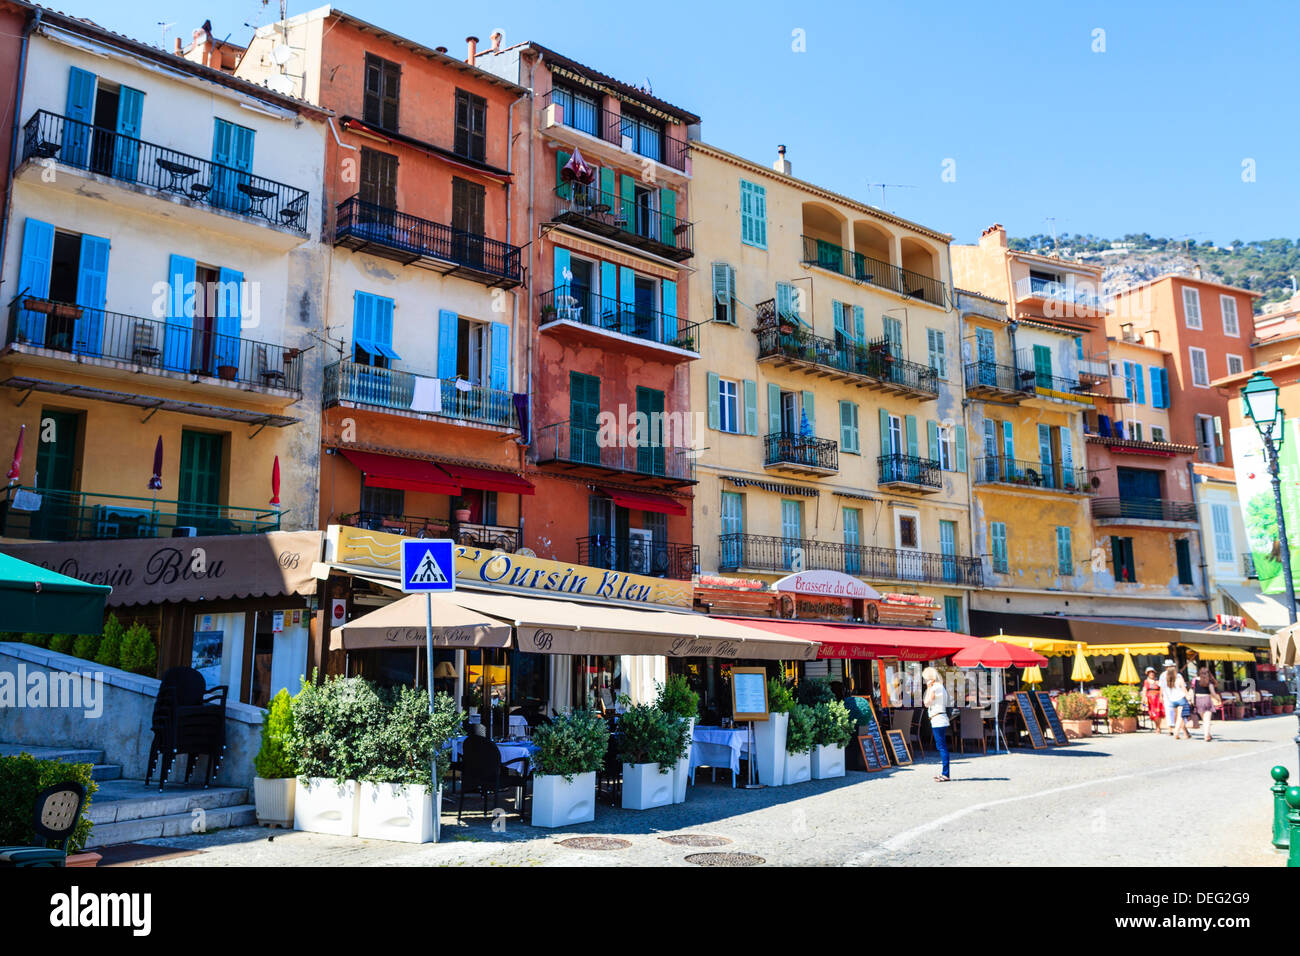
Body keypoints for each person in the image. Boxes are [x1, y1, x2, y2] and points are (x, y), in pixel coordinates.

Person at [922, 667, 950, 781]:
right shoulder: (939, 687)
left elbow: (927, 703)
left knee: (942, 747)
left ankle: (946, 774)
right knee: (941, 746)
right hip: (938, 719)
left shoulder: (936, 687)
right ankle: (945, 773)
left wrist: (928, 688)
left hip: (938, 719)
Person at [1161, 659, 1190, 739]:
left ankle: (1185, 733)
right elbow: (1184, 690)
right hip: (1180, 699)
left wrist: (1164, 697)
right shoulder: (1179, 677)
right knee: (1180, 717)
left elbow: (1163, 689)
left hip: (1171, 700)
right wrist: (1189, 697)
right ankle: (1176, 732)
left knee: (1177, 717)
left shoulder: (1164, 678)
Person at [1193, 665, 1220, 741]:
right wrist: (1218, 699)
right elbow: (1213, 693)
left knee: (1204, 719)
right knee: (1207, 719)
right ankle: (1206, 735)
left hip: (1198, 700)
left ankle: (1208, 734)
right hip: (1207, 699)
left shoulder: (1195, 680)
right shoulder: (1209, 682)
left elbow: (1192, 690)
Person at [1142, 666, 1164, 732]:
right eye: (1150, 673)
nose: (1152, 674)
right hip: (1150, 700)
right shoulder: (1146, 681)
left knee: (1159, 713)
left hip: (1157, 699)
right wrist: (1143, 699)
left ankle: (1158, 727)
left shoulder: (1157, 681)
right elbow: (1144, 690)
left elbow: (1161, 689)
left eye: (1152, 672)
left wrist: (1161, 696)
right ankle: (1157, 726)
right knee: (1153, 713)